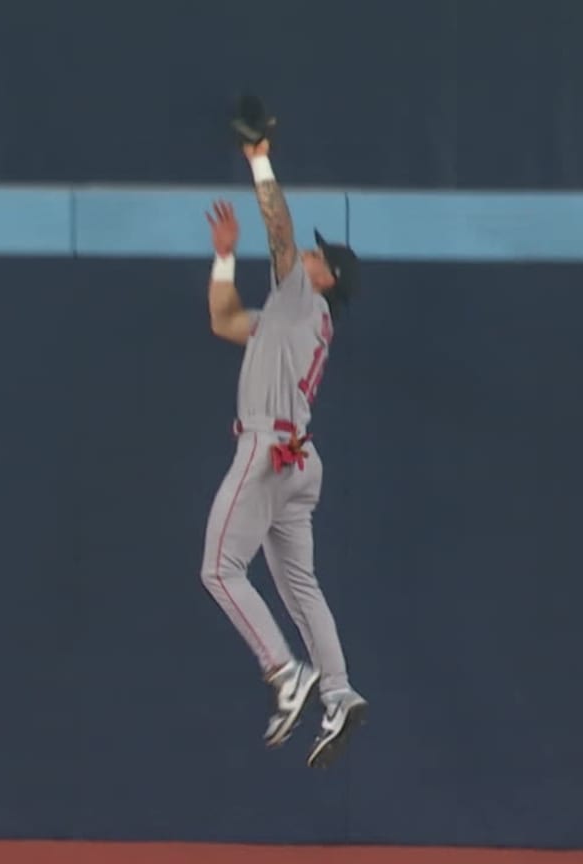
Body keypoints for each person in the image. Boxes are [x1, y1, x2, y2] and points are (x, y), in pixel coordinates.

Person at [199, 137, 367, 768]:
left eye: (319, 255)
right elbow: (224, 321)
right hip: (298, 460)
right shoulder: (290, 317)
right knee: (301, 585)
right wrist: (222, 259)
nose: (308, 253)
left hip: (269, 447)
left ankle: (285, 673)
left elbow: (278, 228)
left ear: (326, 276)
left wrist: (258, 159)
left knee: (219, 569)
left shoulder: (303, 296)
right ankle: (339, 690)